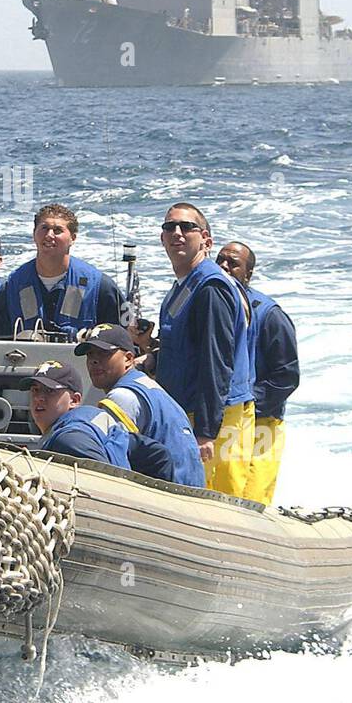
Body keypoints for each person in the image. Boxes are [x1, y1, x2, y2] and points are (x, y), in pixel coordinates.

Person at [141, 203, 254, 497]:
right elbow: (185, 348)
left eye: (186, 227)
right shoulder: (183, 287)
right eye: (169, 227)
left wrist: (206, 432)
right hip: (185, 412)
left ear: (206, 239)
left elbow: (217, 363)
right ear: (162, 238)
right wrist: (153, 357)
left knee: (218, 502)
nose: (177, 233)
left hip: (215, 419)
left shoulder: (210, 288)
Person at [216, 241, 300, 505]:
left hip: (261, 424)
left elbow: (286, 376)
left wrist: (247, 408)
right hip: (223, 421)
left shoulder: (270, 315)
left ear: (248, 274)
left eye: (233, 263)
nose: (224, 266)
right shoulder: (215, 307)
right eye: (220, 260)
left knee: (250, 499)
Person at [74, 323, 204, 487]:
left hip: (170, 494)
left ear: (128, 359)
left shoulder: (122, 397)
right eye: (90, 354)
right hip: (190, 490)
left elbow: (110, 463)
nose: (94, 361)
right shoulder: (146, 384)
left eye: (104, 353)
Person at [0, 203, 125, 338]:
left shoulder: (100, 287)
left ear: (73, 238)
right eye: (44, 228)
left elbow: (125, 339)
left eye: (57, 230)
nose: (49, 235)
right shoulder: (13, 286)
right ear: (34, 234)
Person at [20, 362, 131, 470]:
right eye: (35, 390)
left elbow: (102, 483)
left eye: (50, 391)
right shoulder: (89, 418)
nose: (38, 398)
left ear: (74, 400)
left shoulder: (69, 439)